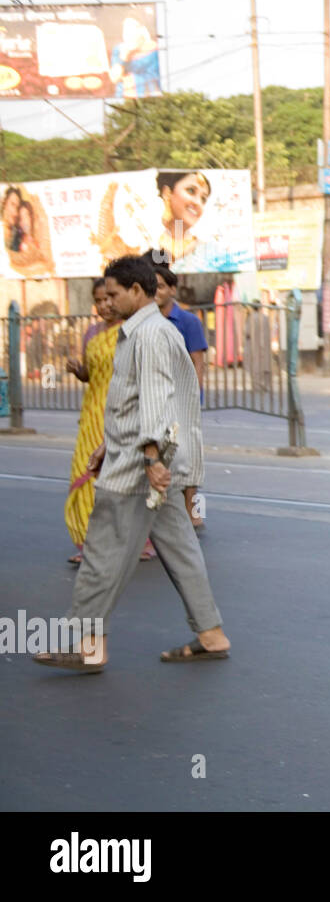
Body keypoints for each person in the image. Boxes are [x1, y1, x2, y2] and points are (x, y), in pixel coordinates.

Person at [34, 254, 229, 673]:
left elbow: (157, 400)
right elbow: (134, 402)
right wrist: (111, 442)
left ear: (137, 291)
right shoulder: (138, 332)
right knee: (180, 548)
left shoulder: (150, 335)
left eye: (115, 293)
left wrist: (149, 457)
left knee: (102, 551)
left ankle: (89, 646)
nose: (107, 301)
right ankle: (211, 634)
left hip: (139, 470)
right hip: (146, 460)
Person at [64, 279, 157, 564]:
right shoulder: (92, 333)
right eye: (99, 300)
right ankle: (91, 543)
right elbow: (92, 375)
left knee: (121, 479)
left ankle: (132, 541)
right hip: (92, 414)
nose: (105, 305)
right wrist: (79, 372)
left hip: (120, 413)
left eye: (109, 298)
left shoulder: (132, 332)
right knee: (87, 475)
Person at [154, 261, 208, 532]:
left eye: (161, 286)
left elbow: (197, 360)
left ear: (173, 289)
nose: (157, 291)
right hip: (158, 397)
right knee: (160, 454)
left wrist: (194, 396)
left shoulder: (188, 321)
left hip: (183, 399)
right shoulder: (148, 320)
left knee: (190, 458)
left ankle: (193, 511)